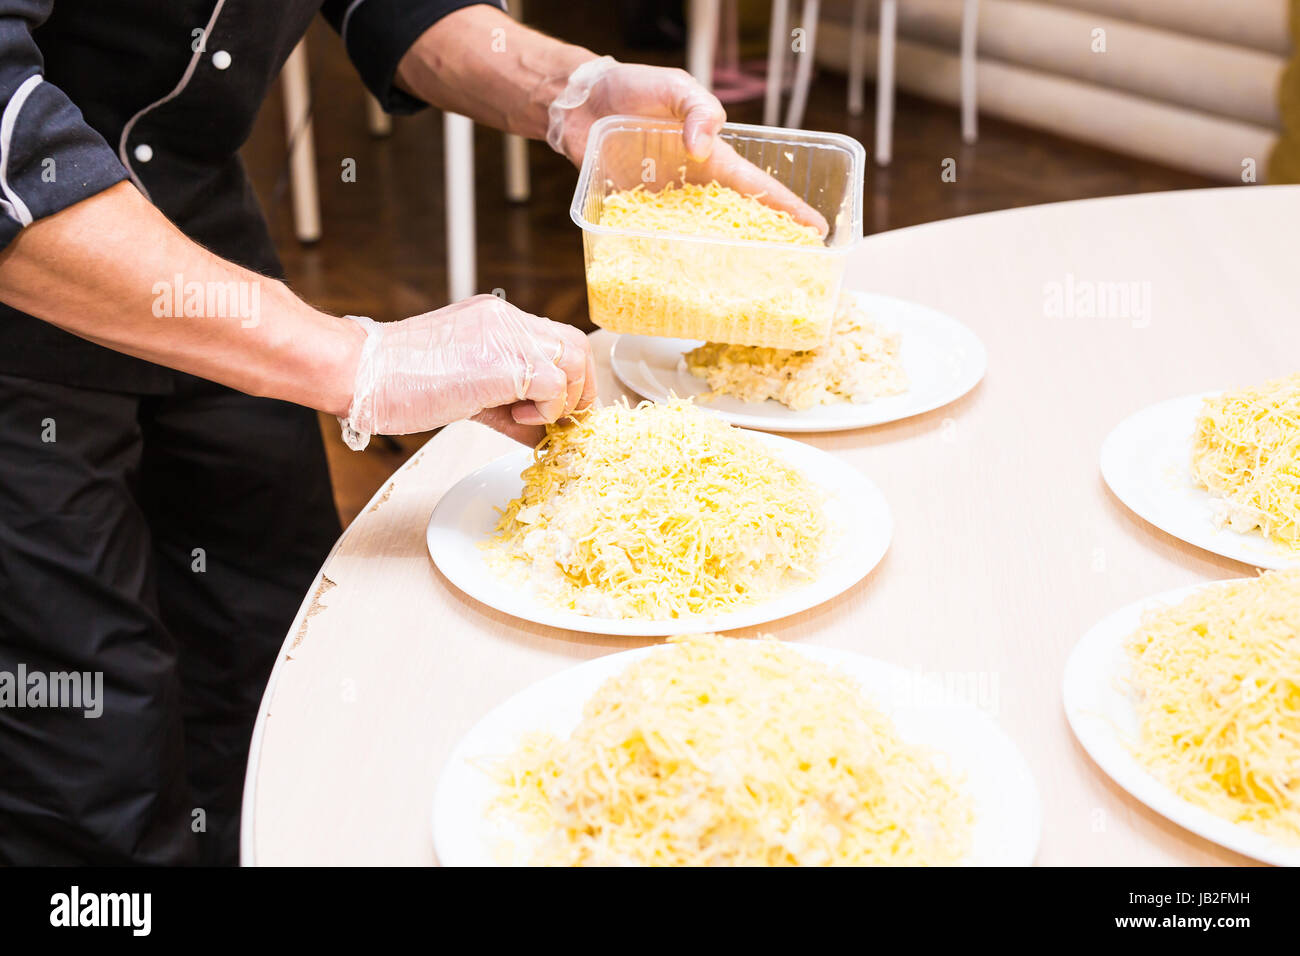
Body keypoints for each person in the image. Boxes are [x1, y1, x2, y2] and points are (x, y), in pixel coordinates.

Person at [0, 1, 821, 865]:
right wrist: (363, 362)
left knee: (277, 663)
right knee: (91, 766)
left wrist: (564, 89)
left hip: (200, 237)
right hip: (32, 284)